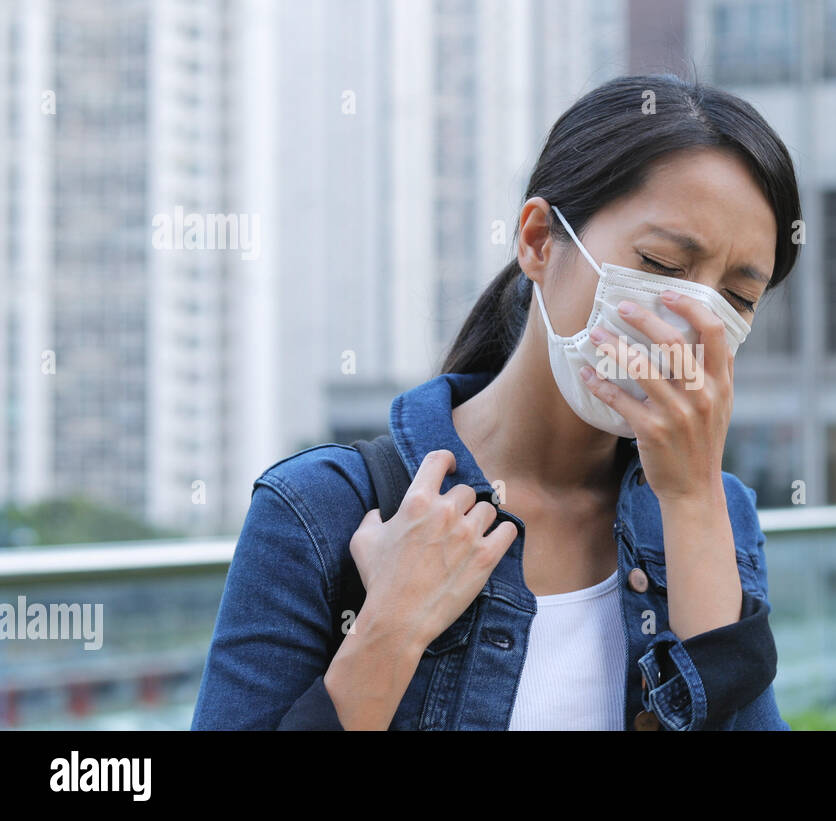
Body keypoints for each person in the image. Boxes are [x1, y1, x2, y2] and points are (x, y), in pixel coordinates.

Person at [190, 72, 802, 731]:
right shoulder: (320, 509)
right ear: (539, 240)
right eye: (661, 263)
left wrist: (692, 504)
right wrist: (389, 630)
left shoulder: (720, 515)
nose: (692, 322)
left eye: (737, 298)